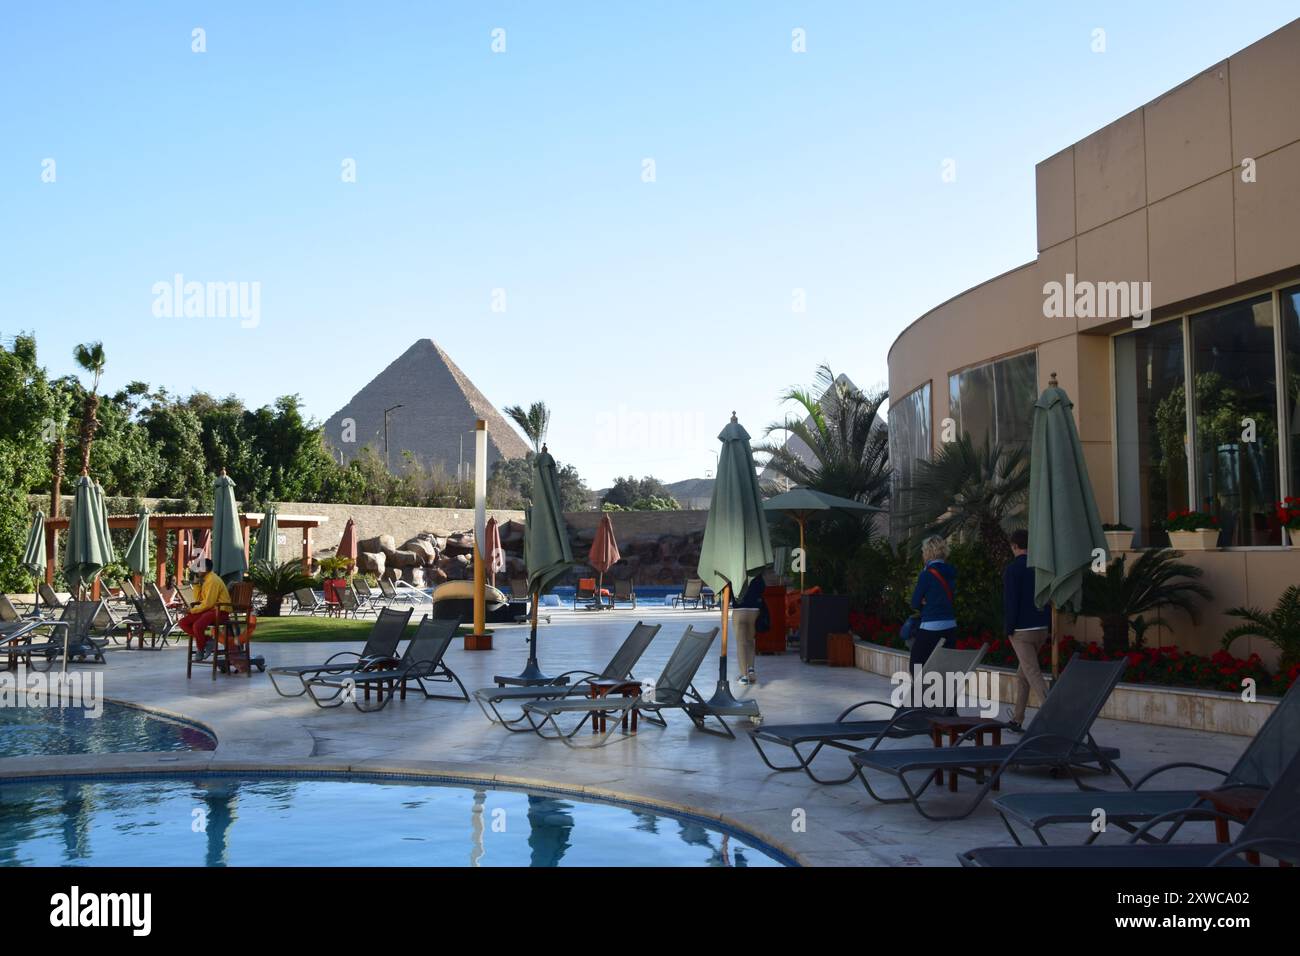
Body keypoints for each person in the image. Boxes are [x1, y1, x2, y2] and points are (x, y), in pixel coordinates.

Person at [1003, 528, 1051, 732]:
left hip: (1022, 631)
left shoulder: (1012, 570)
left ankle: (1053, 713)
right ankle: (1017, 718)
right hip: (1041, 627)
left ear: (1014, 546)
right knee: (1022, 674)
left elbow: (1011, 602)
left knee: (1032, 672)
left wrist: (1008, 628)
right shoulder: (1039, 568)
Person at [908, 535, 958, 669]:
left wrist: (924, 601)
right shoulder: (952, 572)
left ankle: (924, 690)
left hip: (931, 626)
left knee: (916, 665)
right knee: (944, 667)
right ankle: (942, 690)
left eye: (924, 551)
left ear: (929, 552)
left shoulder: (927, 575)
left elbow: (914, 603)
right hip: (950, 626)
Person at [179, 559, 230, 662]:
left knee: (197, 625)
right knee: (183, 623)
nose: (196, 570)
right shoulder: (206, 580)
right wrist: (197, 584)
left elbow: (208, 603)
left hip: (220, 611)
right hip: (209, 611)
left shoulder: (213, 580)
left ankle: (201, 648)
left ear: (205, 569)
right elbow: (198, 600)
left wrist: (192, 610)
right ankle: (207, 641)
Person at [733, 572, 768, 685]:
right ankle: (751, 671)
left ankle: (744, 676)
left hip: (739, 608)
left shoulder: (735, 570)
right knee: (750, 640)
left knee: (741, 642)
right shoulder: (756, 570)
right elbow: (763, 587)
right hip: (754, 608)